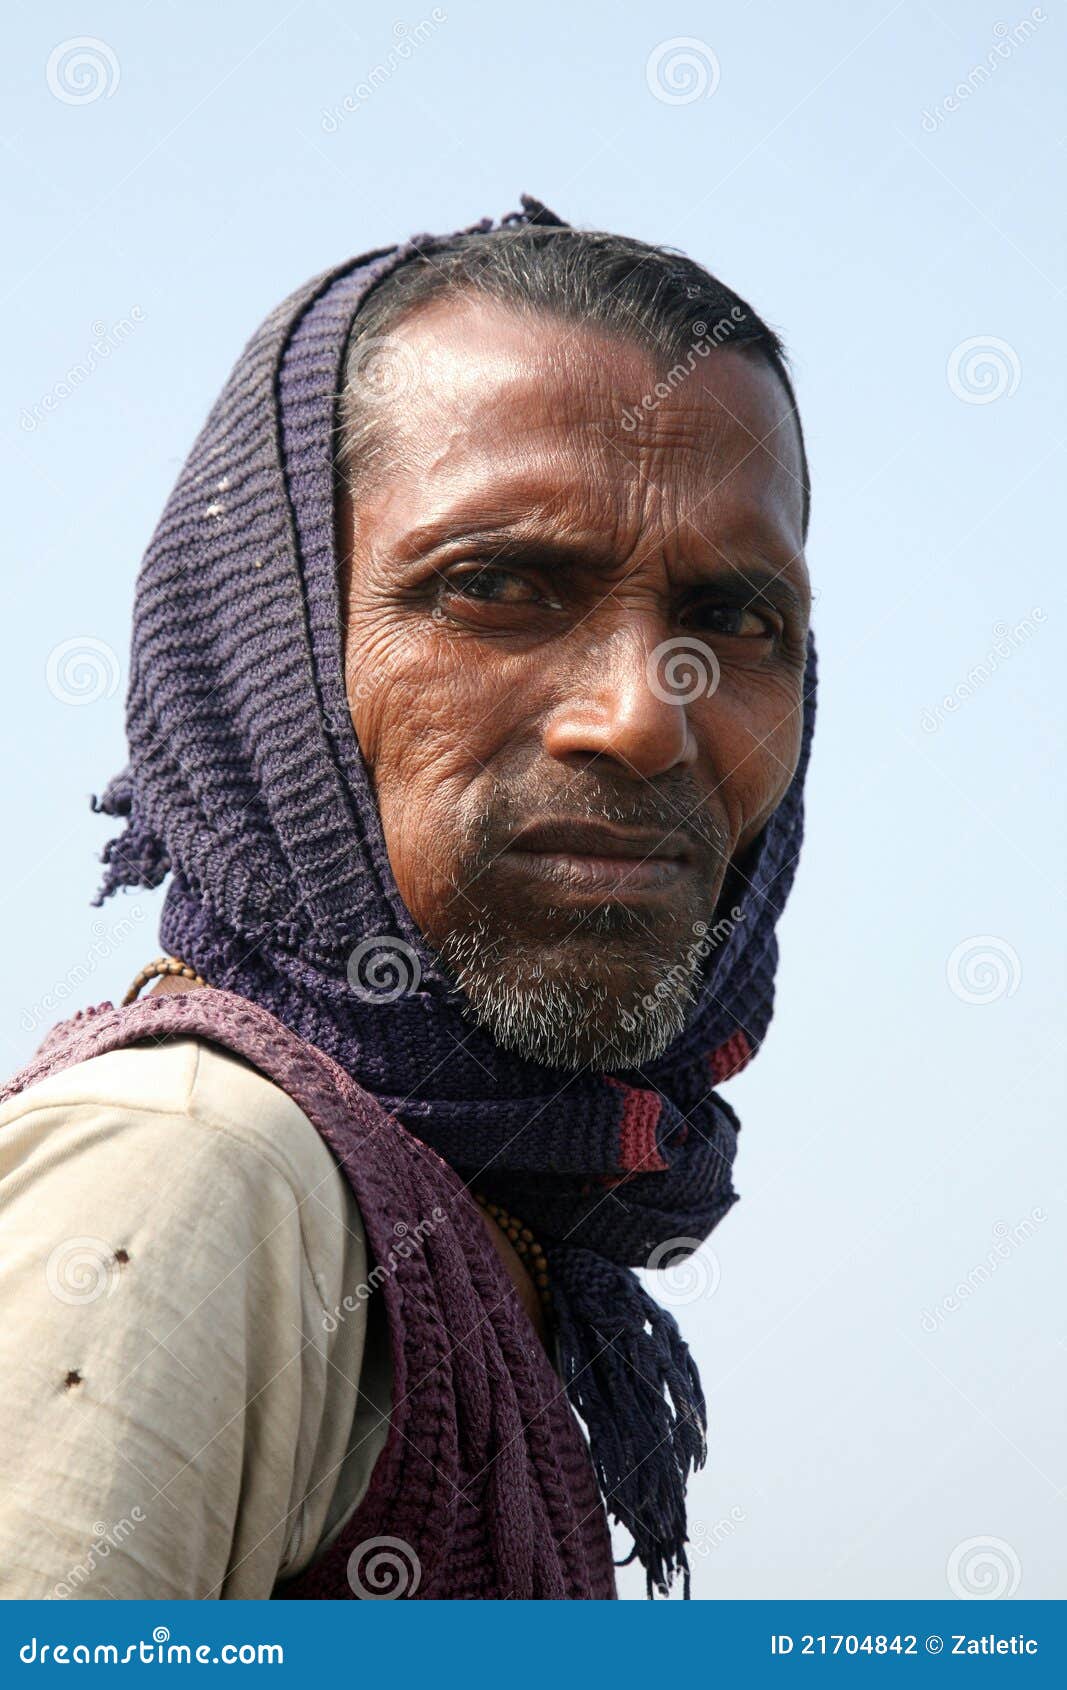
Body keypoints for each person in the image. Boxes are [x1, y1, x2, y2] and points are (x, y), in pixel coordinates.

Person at [0, 196, 815, 1600]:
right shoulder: (194, 1179)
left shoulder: (480, 1230)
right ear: (275, 659)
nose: (642, 714)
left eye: (733, 620)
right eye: (497, 584)